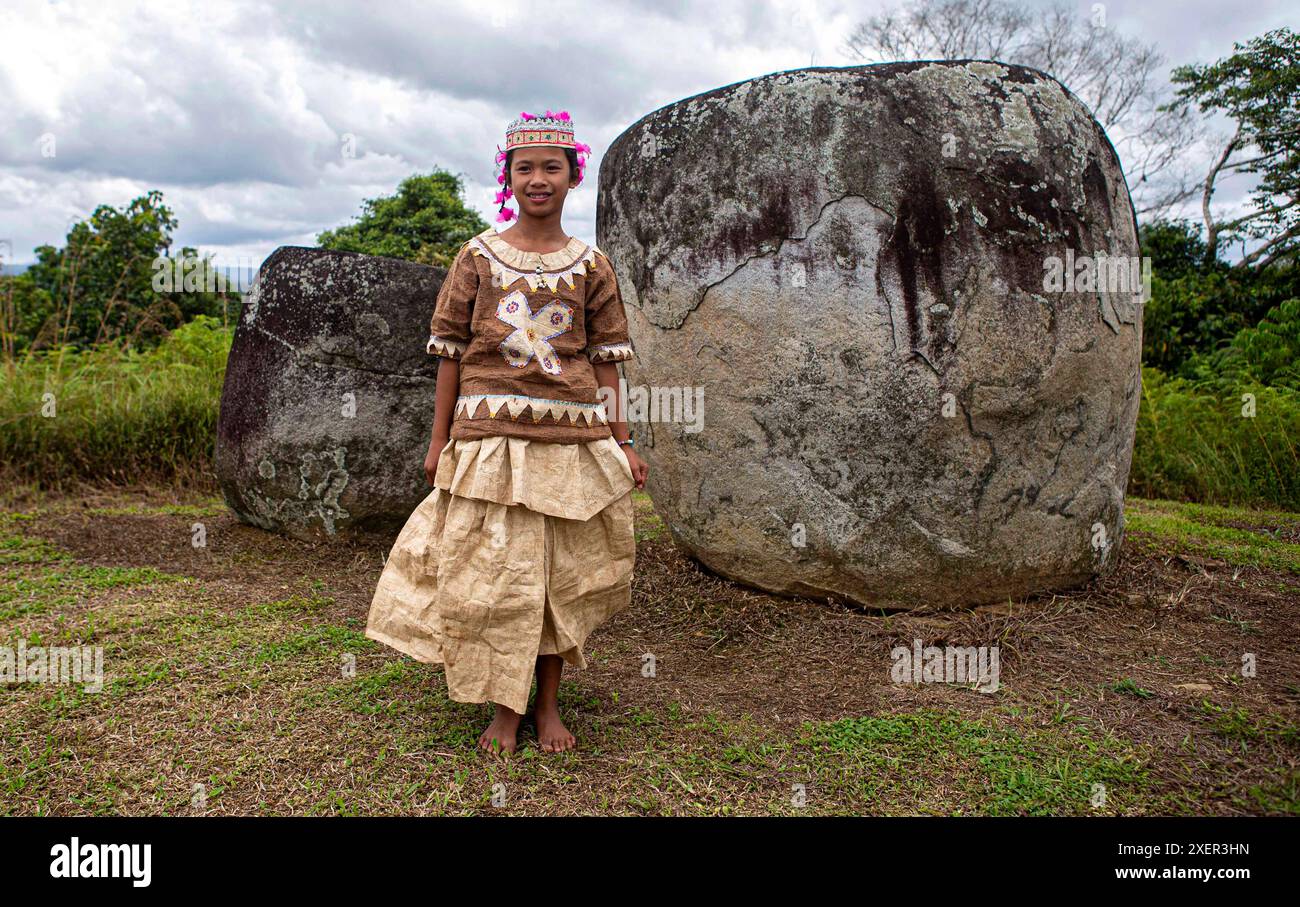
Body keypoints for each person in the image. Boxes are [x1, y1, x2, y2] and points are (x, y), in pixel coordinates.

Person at [366, 109, 648, 758]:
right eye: (526, 167)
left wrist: (623, 442)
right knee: (493, 578)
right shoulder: (476, 258)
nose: (539, 178)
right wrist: (439, 441)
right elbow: (450, 355)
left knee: (556, 582)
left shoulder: (592, 267)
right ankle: (504, 708)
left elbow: (606, 363)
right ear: (509, 178)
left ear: (573, 177)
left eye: (552, 166)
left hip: (569, 450)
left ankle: (547, 707)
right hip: (488, 447)